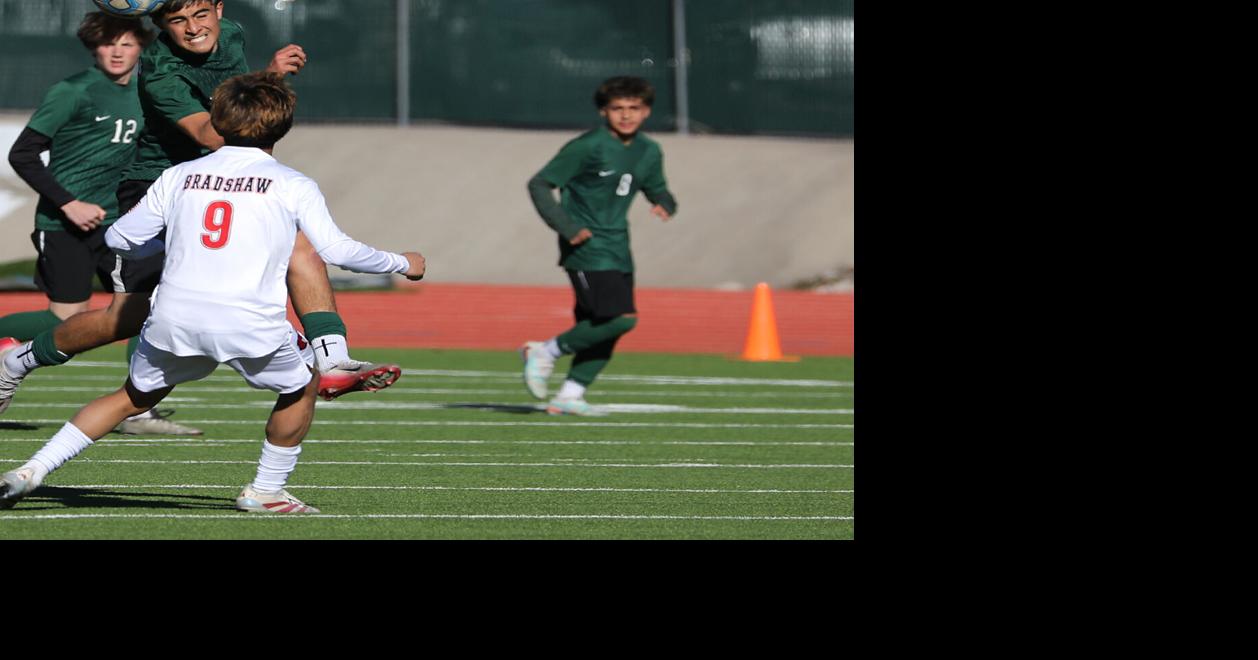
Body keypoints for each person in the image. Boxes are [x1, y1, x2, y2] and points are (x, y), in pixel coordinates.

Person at [0, 71, 426, 512]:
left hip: (173, 318)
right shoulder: (292, 183)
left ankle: (29, 472)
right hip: (247, 322)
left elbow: (120, 238)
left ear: (217, 123)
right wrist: (403, 263)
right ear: (283, 127)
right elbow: (337, 249)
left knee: (130, 397)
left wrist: (175, 242)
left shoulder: (179, 175)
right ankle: (266, 489)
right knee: (302, 386)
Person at [0, 0, 396, 431]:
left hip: (215, 179)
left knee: (291, 245)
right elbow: (214, 134)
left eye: (201, 15)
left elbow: (234, 103)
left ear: (219, 10)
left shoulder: (233, 34)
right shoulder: (160, 68)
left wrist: (264, 76)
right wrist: (272, 78)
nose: (193, 29)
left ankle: (331, 358)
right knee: (125, 317)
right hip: (160, 187)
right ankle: (16, 362)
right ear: (162, 26)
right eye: (178, 20)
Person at [0, 13, 194, 434]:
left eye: (127, 42)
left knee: (149, 308)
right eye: (109, 43)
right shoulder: (73, 91)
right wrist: (68, 203)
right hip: (63, 223)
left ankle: (139, 410)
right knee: (62, 322)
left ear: (141, 47)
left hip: (121, 227)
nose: (118, 51)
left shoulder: (148, 94)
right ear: (94, 48)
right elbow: (23, 154)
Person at [519, 76, 678, 416]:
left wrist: (666, 202)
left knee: (598, 325)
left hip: (620, 246)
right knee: (621, 319)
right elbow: (540, 184)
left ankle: (570, 395)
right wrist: (567, 226)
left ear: (646, 111)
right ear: (604, 111)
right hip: (588, 248)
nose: (626, 115)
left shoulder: (649, 150)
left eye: (634, 108)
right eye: (617, 108)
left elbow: (656, 187)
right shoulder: (587, 146)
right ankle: (544, 352)